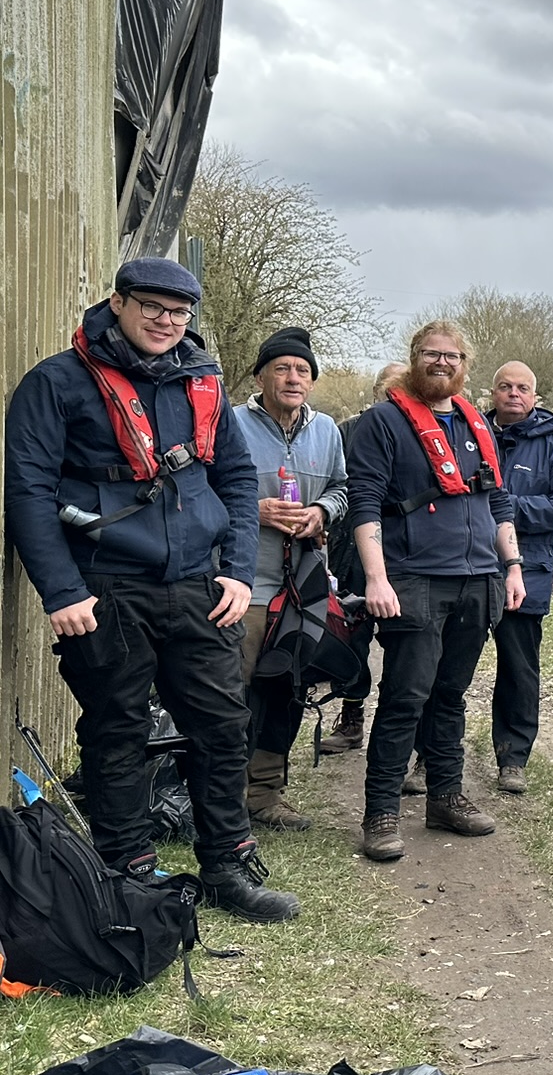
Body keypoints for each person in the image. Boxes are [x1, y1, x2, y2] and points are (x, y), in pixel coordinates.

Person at [2, 257, 298, 920]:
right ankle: (127, 871)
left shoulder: (203, 382)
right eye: (153, 308)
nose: (166, 322)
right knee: (117, 731)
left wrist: (236, 568)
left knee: (223, 727)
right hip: (106, 588)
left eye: (179, 312)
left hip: (199, 587)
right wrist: (61, 590)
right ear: (119, 302)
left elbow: (236, 478)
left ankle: (225, 864)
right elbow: (26, 492)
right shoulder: (56, 383)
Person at [347, 321, 524, 862]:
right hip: (414, 579)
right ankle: (380, 812)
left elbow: (498, 502)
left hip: (477, 579)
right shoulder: (382, 422)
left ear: (465, 362)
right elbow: (365, 502)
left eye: (451, 356)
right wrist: (376, 578)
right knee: (405, 698)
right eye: (431, 354)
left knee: (450, 696)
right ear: (414, 358)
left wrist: (511, 566)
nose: (441, 363)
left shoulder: (478, 426)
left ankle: (445, 796)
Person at [231, 325, 350, 831]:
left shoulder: (327, 430)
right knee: (230, 694)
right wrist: (251, 508)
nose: (293, 377)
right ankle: (220, 796)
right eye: (282, 367)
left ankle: (265, 796)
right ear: (260, 375)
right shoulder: (229, 424)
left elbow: (344, 490)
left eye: (302, 370)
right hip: (241, 587)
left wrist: (322, 511)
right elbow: (200, 491)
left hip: (300, 592)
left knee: (285, 691)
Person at [487, 361, 553, 793]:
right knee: (446, 669)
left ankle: (514, 758)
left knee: (519, 669)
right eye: (505, 386)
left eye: (522, 388)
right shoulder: (469, 433)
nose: (513, 394)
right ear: (492, 393)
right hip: (465, 568)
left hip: (529, 571)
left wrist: (506, 509)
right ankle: (428, 757)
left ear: (534, 396)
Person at [319, 361, 406, 755]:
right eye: (387, 390)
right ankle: (351, 716)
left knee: (405, 644)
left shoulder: (422, 434)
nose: (393, 397)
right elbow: (329, 486)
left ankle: (405, 726)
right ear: (375, 392)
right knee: (352, 635)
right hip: (348, 550)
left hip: (404, 554)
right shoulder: (345, 432)